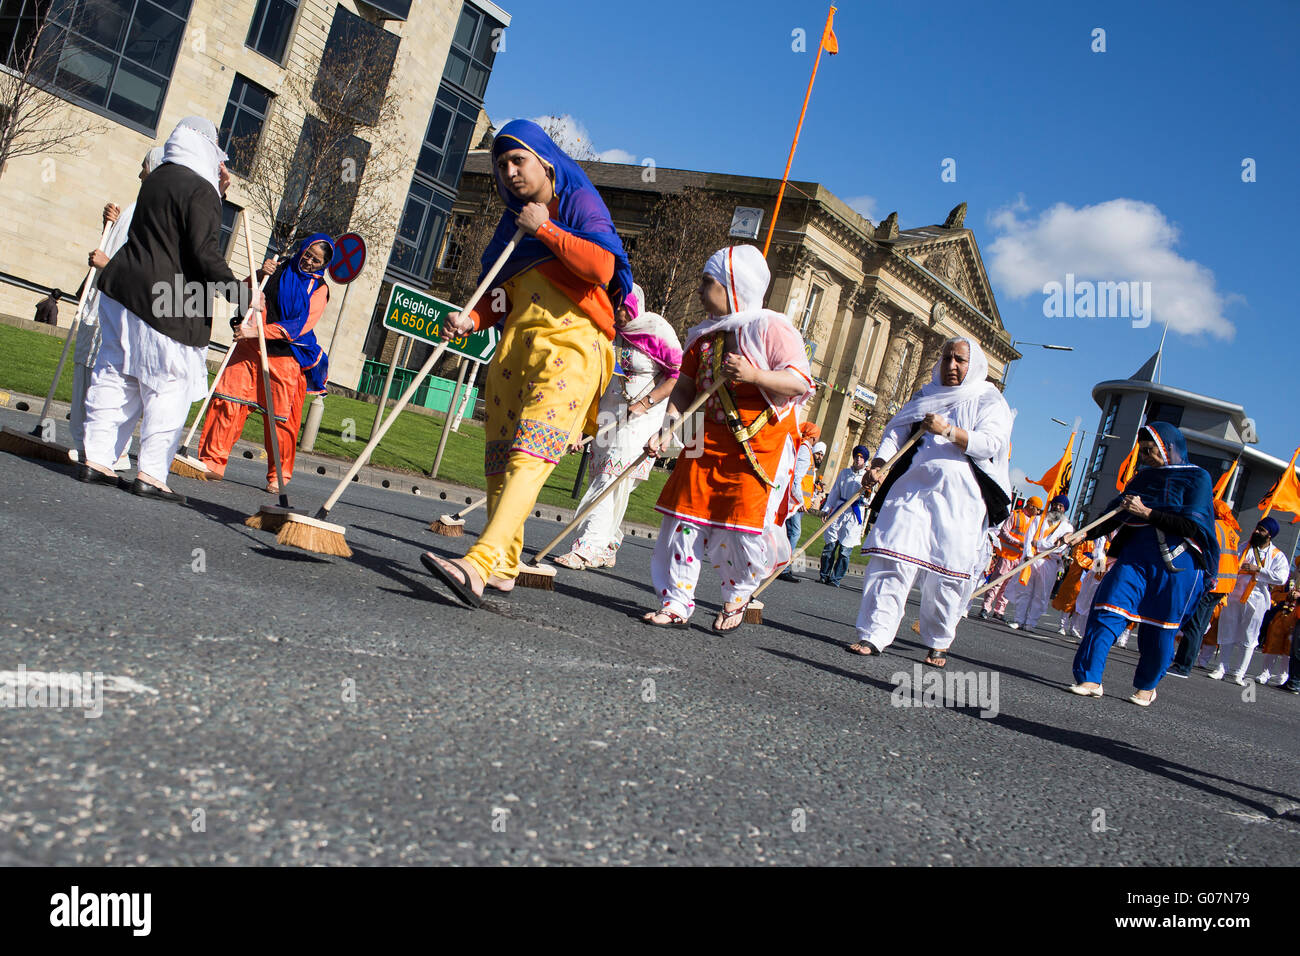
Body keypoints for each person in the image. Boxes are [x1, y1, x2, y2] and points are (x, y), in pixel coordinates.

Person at [420, 119, 631, 606]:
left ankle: (478, 562)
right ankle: (506, 566)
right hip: (517, 350)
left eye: (519, 161)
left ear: (546, 162)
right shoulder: (511, 224)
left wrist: (548, 230)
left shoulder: (577, 202)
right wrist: (471, 319)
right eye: (502, 165)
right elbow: (503, 292)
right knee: (498, 460)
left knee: (529, 457)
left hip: (574, 348)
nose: (510, 171)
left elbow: (602, 266)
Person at [79, 117, 259, 503]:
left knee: (118, 372)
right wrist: (242, 296)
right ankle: (151, 473)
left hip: (124, 286)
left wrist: (219, 194)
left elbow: (170, 232)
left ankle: (97, 459)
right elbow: (202, 253)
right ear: (209, 150)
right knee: (169, 385)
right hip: (169, 299)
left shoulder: (158, 177)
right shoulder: (201, 190)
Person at [641, 244, 814, 631]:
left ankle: (737, 597)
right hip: (704, 439)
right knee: (683, 521)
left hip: (756, 447)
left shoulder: (773, 327)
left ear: (734, 286)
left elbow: (799, 381)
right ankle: (675, 601)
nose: (700, 292)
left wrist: (754, 376)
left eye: (708, 283)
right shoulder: (703, 336)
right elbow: (686, 390)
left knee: (741, 533)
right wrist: (667, 429)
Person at [846, 336, 1013, 667]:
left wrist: (949, 430)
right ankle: (873, 634)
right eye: (947, 358)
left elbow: (990, 443)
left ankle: (938, 640)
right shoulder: (925, 394)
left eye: (960, 360)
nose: (951, 366)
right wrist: (880, 463)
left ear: (974, 364)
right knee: (891, 559)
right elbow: (896, 432)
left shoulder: (989, 400)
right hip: (912, 491)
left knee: (946, 576)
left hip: (961, 501)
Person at [1065, 422, 1218, 706]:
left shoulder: (1198, 477)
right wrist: (1082, 533)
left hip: (1177, 564)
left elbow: (1193, 526)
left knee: (1159, 630)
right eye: (1143, 450)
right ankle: (1089, 677)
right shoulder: (1142, 479)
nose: (1146, 456)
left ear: (1169, 447)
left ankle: (1147, 685)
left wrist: (1147, 512)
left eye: (1151, 450)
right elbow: (1113, 514)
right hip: (1134, 557)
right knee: (1106, 611)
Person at [554, 284, 681, 569]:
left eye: (625, 306)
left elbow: (676, 376)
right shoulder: (606, 329)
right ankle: (608, 542)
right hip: (609, 414)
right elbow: (591, 378)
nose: (620, 312)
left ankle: (585, 548)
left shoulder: (657, 330)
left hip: (641, 419)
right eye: (616, 305)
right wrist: (580, 425)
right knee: (606, 481)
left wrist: (646, 403)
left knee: (608, 481)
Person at [198, 235, 334, 492]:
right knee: (227, 400)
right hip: (249, 348)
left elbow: (299, 326)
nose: (308, 261)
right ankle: (211, 462)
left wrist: (256, 331)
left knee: (280, 420)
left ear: (323, 264)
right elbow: (243, 292)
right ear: (302, 249)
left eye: (316, 260)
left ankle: (278, 476)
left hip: (284, 355)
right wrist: (259, 273)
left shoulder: (319, 290)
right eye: (307, 254)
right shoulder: (278, 266)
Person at [71, 147, 166, 470]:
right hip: (99, 301)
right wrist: (108, 224)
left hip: (114, 305)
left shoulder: (151, 214)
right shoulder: (135, 208)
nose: (140, 173)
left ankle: (108, 449)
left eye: (144, 167)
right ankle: (90, 444)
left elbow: (143, 270)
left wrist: (106, 264)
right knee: (87, 369)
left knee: (104, 375)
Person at [1208, 516, 1290, 685]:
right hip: (1234, 595)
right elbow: (1230, 564)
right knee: (1227, 630)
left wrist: (1258, 570)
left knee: (1249, 635)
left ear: (1269, 536)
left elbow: (1281, 578)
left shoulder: (1277, 555)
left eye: (1262, 530)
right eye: (1257, 528)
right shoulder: (1244, 546)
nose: (1257, 532)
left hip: (1257, 598)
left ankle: (1239, 672)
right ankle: (1222, 668)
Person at [1166, 497, 1241, 677]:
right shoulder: (1231, 530)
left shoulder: (1214, 526)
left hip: (1212, 582)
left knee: (1194, 625)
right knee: (1199, 626)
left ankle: (1182, 666)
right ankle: (1185, 663)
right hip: (1225, 585)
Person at [1008, 494, 1074, 632]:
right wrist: (1028, 554)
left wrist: (1038, 544)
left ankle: (1030, 623)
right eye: (1055, 504)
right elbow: (1028, 538)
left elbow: (1060, 546)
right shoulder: (1038, 520)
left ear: (1065, 509)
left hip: (1049, 563)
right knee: (1024, 590)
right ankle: (1019, 620)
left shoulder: (1067, 528)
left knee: (1041, 594)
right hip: (1031, 559)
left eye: (1061, 506)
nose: (1057, 507)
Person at [978, 496, 1041, 620]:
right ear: (1031, 506)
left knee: (1008, 585)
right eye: (1037, 509)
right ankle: (986, 607)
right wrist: (1018, 543)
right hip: (1007, 555)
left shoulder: (1035, 522)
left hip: (1020, 558)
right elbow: (1004, 532)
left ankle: (999, 611)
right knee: (997, 582)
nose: (1038, 512)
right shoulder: (1015, 515)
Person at [819, 444, 871, 587]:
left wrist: (867, 492)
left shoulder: (867, 477)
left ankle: (836, 579)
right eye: (856, 456)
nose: (858, 459)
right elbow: (835, 492)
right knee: (830, 545)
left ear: (865, 460)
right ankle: (824, 574)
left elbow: (869, 500)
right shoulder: (844, 473)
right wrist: (827, 508)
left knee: (845, 550)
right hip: (839, 510)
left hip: (854, 513)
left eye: (861, 457)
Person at [778, 424, 823, 582]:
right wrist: (800, 500)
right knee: (794, 533)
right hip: (797, 501)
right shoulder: (805, 450)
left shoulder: (802, 447)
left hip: (795, 499)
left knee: (786, 531)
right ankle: (783, 567)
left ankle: (779, 564)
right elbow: (796, 478)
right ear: (813, 437)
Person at [1054, 533, 1106, 637]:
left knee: (1083, 603)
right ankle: (1062, 626)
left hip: (1090, 576)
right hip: (1078, 575)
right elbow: (1077, 555)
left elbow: (1102, 563)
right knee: (1070, 600)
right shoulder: (1085, 540)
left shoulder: (1105, 545)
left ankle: (1074, 628)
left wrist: (1097, 569)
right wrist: (1092, 565)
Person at [1254, 589, 1297, 686]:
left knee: (1289, 649)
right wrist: (1287, 595)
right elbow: (1274, 595)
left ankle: (1283, 675)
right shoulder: (1287, 579)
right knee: (1273, 645)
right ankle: (1265, 673)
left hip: (1296, 618)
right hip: (1280, 616)